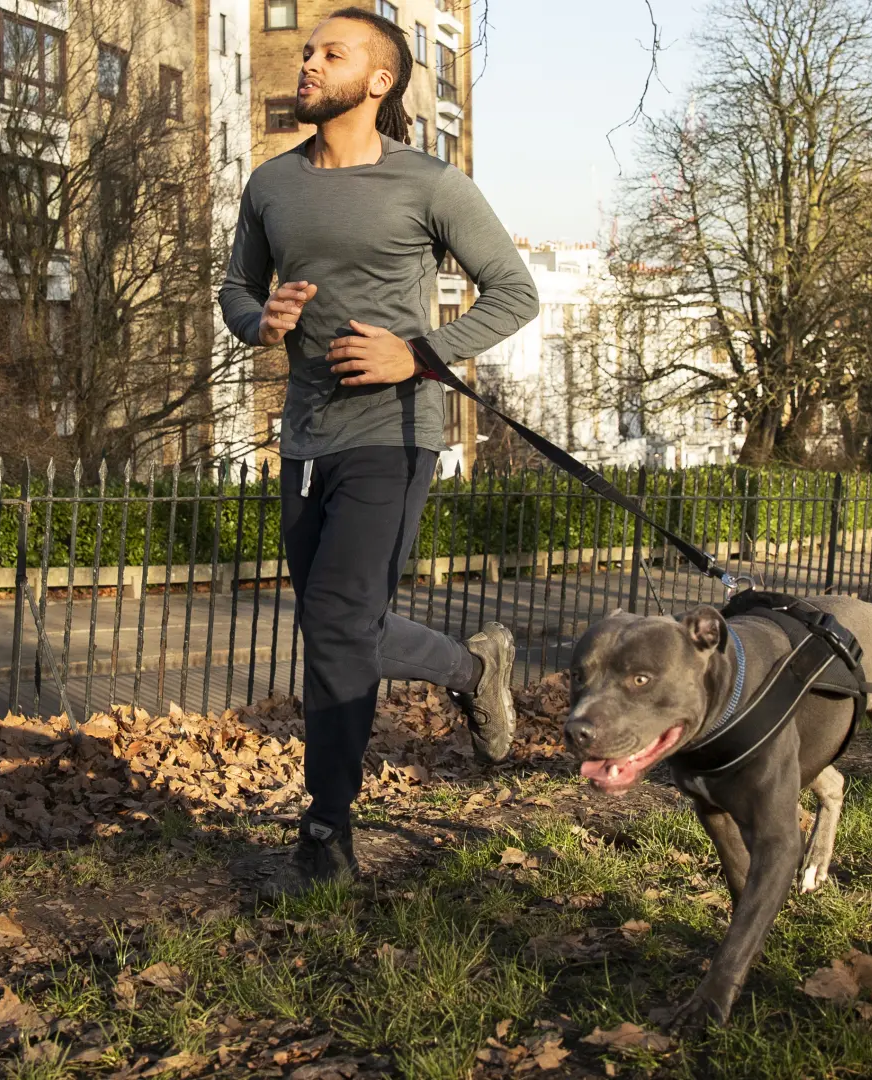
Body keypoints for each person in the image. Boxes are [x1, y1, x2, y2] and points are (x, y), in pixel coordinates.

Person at [217, 7, 539, 899]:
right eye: (309, 50)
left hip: (393, 438)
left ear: (381, 80)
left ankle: (326, 830)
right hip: (305, 439)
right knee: (339, 630)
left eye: (332, 52)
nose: (310, 62)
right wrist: (261, 320)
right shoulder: (272, 185)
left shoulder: (429, 183)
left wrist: (419, 353)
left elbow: (515, 292)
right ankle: (476, 670)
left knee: (336, 624)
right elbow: (237, 286)